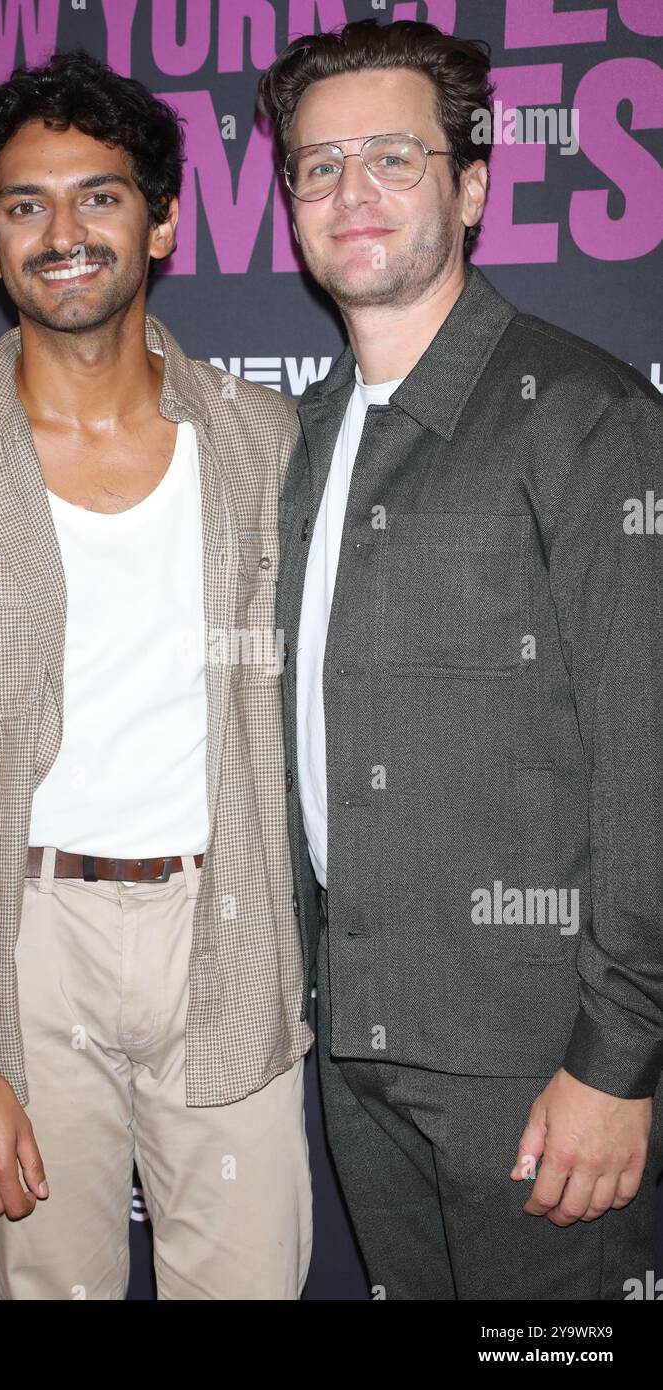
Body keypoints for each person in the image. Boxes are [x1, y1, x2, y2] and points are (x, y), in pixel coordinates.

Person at [0, 48, 313, 1301]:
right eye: (23, 205)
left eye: (99, 195)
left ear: (161, 221)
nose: (63, 232)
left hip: (235, 930)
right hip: (26, 944)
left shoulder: (266, 444)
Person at [258, 17, 663, 1300]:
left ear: (472, 186)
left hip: (537, 1072)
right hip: (357, 1048)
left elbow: (648, 761)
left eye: (391, 157)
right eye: (317, 167)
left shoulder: (589, 420)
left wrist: (616, 1060)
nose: (350, 193)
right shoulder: (307, 440)